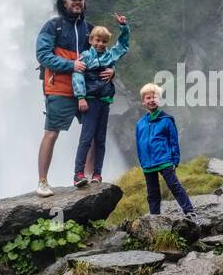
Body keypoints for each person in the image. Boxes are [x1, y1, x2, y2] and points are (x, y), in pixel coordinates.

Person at [34, 0, 112, 197]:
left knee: (94, 134)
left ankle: (87, 179)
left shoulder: (90, 30)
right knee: (52, 132)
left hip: (89, 91)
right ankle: (42, 182)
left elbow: (104, 56)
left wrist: (111, 70)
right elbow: (42, 55)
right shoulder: (54, 26)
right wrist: (71, 65)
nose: (77, 2)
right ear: (64, 2)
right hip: (59, 88)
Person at [72, 14, 130, 187]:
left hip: (104, 101)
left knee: (100, 139)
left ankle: (97, 173)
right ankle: (78, 174)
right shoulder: (85, 57)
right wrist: (81, 97)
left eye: (104, 41)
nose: (100, 44)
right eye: (97, 40)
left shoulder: (110, 56)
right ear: (91, 40)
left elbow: (123, 45)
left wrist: (124, 27)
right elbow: (77, 76)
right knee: (86, 138)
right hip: (90, 101)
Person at [135, 83, 195, 216]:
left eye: (154, 97)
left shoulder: (166, 120)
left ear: (159, 100)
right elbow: (139, 144)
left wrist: (175, 160)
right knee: (152, 193)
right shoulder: (140, 124)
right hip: (148, 164)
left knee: (174, 186)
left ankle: (189, 211)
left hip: (164, 160)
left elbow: (173, 141)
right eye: (148, 98)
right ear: (143, 102)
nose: (151, 100)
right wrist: (142, 161)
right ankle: (155, 217)